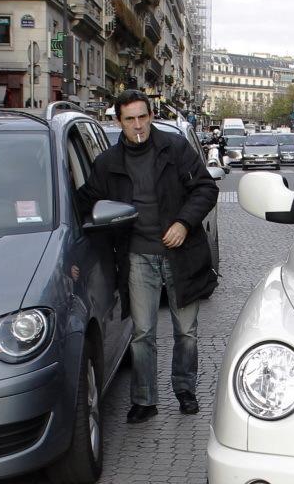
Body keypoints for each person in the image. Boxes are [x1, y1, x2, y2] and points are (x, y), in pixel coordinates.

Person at [77, 89, 219, 423]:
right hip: (138, 257)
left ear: (151, 116)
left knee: (186, 331)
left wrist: (184, 222)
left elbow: (205, 188)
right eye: (130, 119)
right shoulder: (108, 164)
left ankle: (185, 392)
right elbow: (87, 202)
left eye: (143, 117)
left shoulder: (176, 148)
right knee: (143, 333)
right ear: (119, 122)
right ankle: (144, 400)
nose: (138, 125)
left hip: (180, 255)